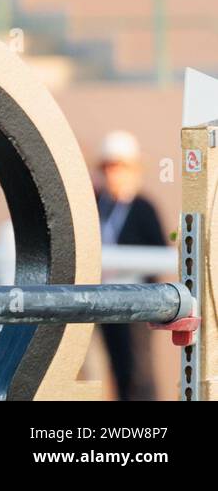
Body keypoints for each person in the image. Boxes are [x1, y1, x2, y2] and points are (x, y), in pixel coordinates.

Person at [95, 130, 168, 400]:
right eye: (108, 167)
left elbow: (159, 254)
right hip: (102, 299)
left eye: (120, 167)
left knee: (139, 370)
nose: (113, 174)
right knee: (117, 368)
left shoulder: (143, 208)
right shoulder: (97, 205)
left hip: (138, 304)